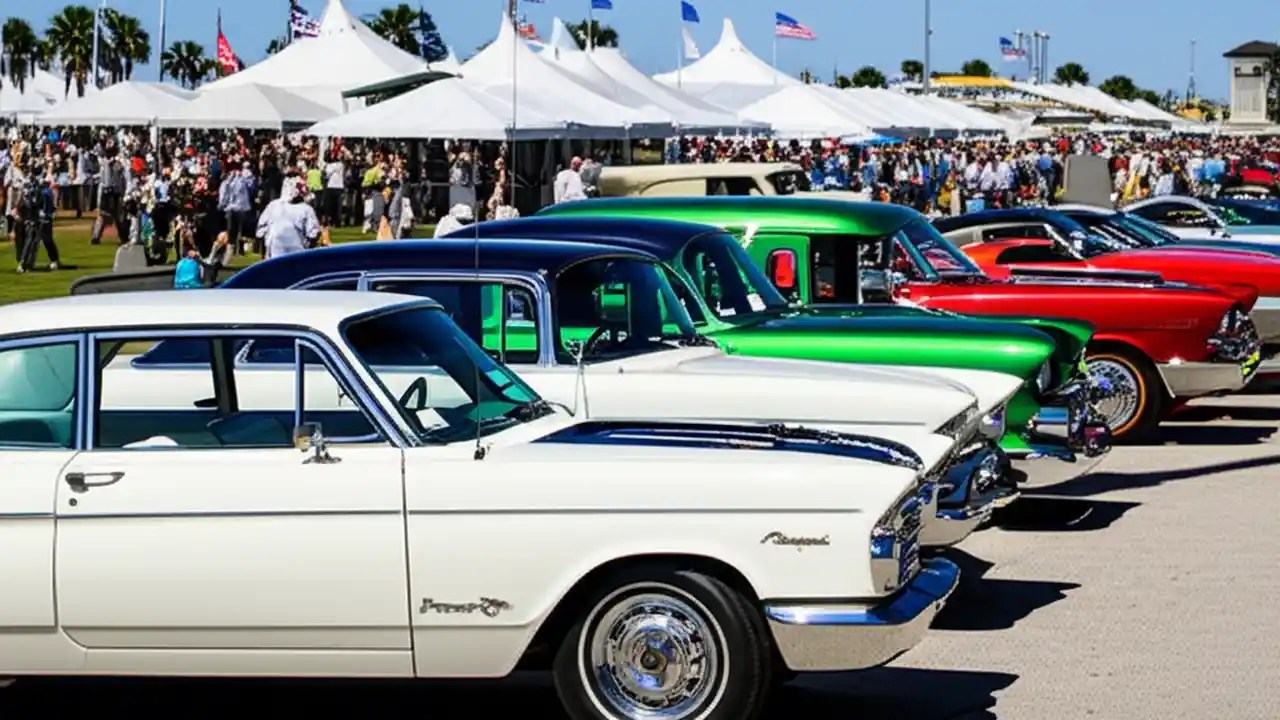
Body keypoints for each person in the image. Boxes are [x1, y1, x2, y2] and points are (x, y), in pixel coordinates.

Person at [257, 179, 320, 259]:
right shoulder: (306, 209)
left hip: (274, 252)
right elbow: (313, 234)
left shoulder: (273, 206)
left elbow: (261, 231)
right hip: (297, 253)